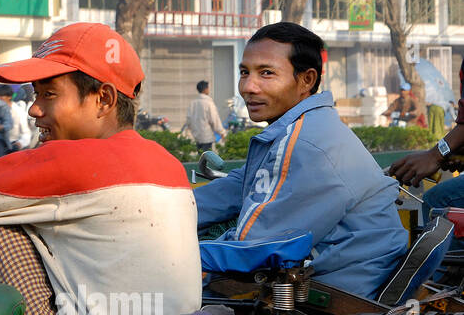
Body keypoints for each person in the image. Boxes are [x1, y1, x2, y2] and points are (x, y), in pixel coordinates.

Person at [0, 23, 202, 315]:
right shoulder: (169, 163)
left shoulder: (71, 159)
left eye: (48, 95)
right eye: (34, 94)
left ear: (103, 99)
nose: (34, 109)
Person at [194, 22, 405, 300]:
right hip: (340, 275)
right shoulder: (301, 127)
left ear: (306, 80)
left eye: (266, 73)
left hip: (336, 294)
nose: (248, 86)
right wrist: (167, 211)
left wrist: (173, 253)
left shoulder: (305, 142)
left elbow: (255, 246)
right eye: (244, 72)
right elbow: (240, 185)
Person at [390, 58, 464, 217]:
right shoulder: (398, 101)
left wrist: (435, 155)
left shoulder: (414, 101)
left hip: (414, 124)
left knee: (435, 201)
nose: (402, 92)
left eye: (404, 90)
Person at [186, 79, 224, 152]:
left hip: (196, 136)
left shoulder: (192, 103)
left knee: (200, 158)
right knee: (207, 158)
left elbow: (188, 120)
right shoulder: (208, 103)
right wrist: (222, 132)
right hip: (207, 136)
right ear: (205, 89)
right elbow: (214, 120)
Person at [0, 83, 34, 151]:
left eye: (2, 96)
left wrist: (19, 144)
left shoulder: (19, 112)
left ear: (9, 97)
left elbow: (26, 134)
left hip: (13, 145)